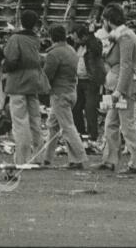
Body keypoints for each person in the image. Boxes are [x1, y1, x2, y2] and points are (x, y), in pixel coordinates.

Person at [98, 3, 136, 174]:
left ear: (109, 21)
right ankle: (110, 160)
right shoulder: (122, 35)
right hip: (118, 84)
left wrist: (119, 91)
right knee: (110, 123)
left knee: (126, 126)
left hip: (123, 86)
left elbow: (126, 65)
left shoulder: (125, 37)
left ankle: (135, 163)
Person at [2, 10, 49, 166]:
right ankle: (39, 158)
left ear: (21, 22)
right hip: (34, 83)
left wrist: (5, 67)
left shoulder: (15, 38)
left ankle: (22, 160)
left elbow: (11, 60)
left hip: (18, 84)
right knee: (35, 120)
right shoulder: (35, 39)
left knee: (20, 122)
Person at [43, 24, 86, 169]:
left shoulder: (54, 54)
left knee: (67, 126)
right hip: (71, 92)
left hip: (59, 94)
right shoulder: (71, 50)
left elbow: (47, 75)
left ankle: (78, 158)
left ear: (51, 37)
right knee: (52, 125)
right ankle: (47, 158)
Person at [72, 22, 104, 140]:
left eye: (75, 35)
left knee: (90, 107)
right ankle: (80, 131)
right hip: (78, 80)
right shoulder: (77, 46)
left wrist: (91, 35)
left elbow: (96, 49)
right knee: (76, 107)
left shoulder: (93, 44)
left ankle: (93, 134)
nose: (73, 38)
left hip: (91, 80)